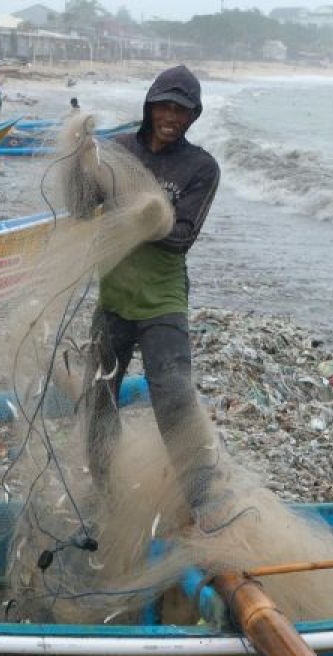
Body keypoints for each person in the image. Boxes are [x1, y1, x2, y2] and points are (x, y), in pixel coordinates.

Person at [82, 65, 227, 530]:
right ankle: (105, 489)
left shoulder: (200, 167)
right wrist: (79, 163)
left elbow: (182, 236)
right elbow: (84, 208)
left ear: (193, 116)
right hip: (114, 295)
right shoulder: (118, 150)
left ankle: (202, 503)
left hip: (162, 299)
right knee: (99, 397)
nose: (171, 116)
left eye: (182, 110)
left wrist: (145, 213)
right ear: (149, 105)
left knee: (173, 396)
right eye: (164, 105)